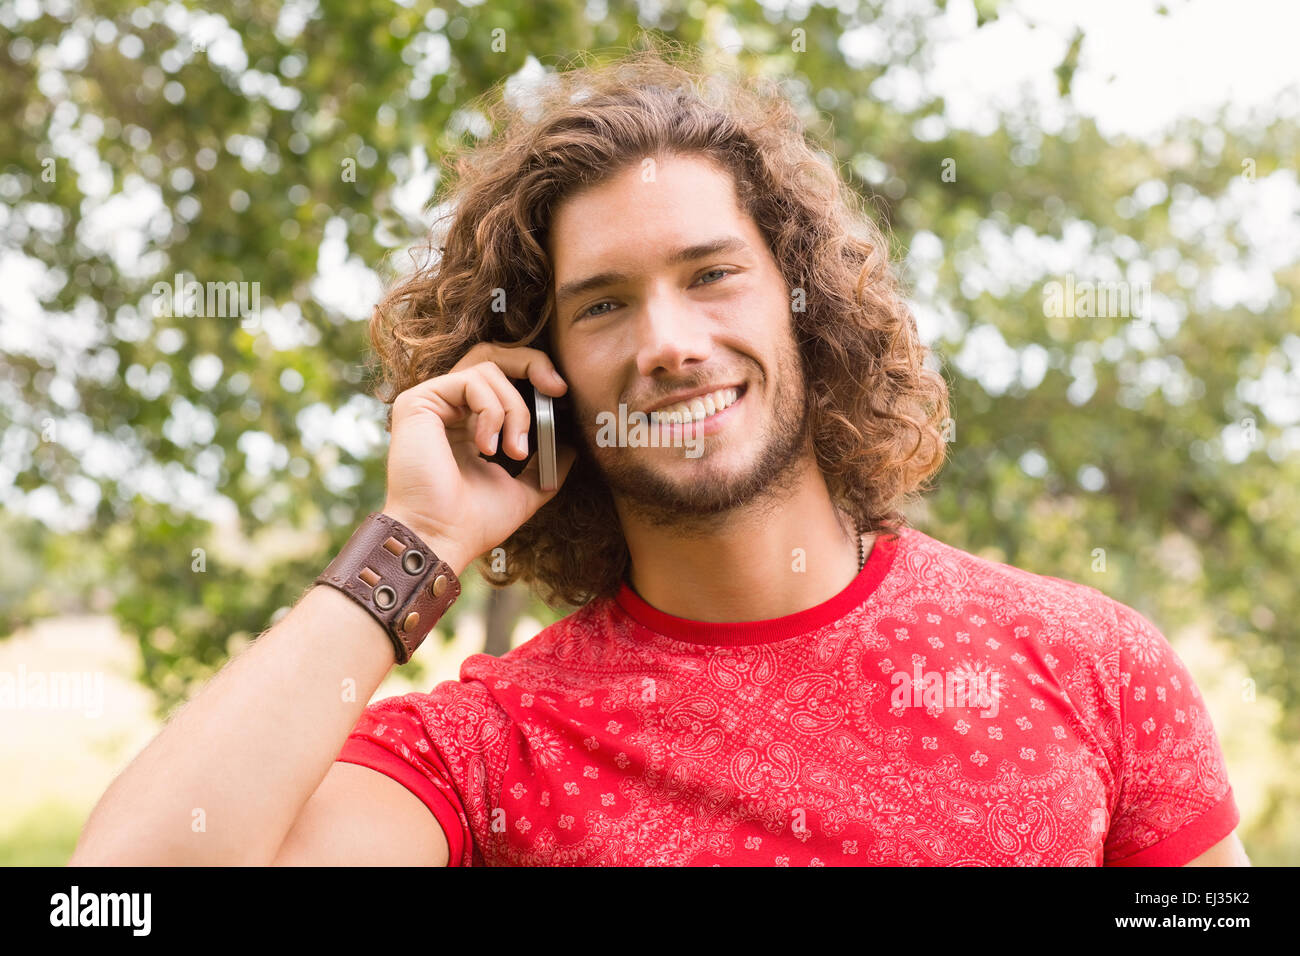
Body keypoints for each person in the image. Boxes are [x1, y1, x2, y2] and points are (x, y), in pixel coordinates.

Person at [70, 44, 1248, 867]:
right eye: (601, 307)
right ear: (542, 375)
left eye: (710, 273)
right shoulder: (493, 751)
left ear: (802, 305)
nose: (670, 345)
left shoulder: (1090, 662)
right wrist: (414, 544)